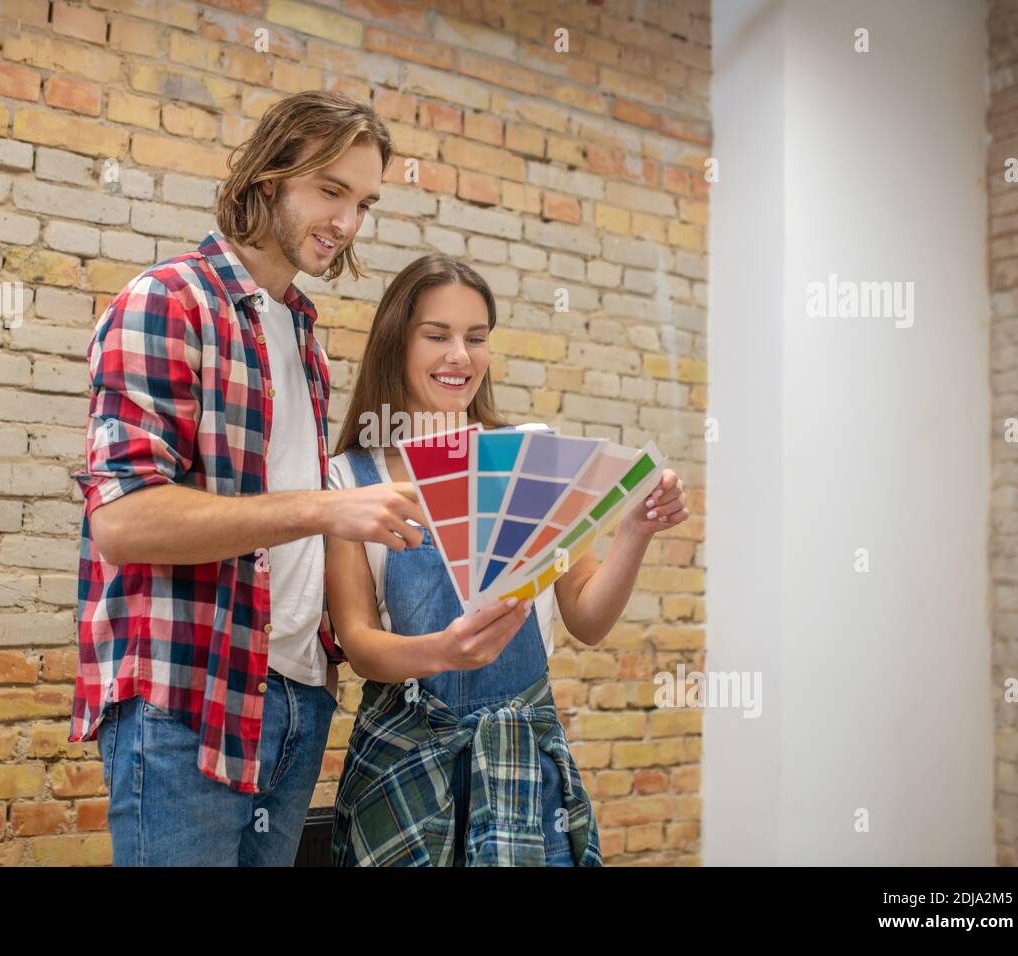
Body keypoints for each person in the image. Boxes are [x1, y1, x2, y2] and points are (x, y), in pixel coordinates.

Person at [69, 91, 529, 867]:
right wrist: (329, 507)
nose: (347, 223)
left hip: (295, 696)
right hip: (190, 695)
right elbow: (124, 520)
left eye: (364, 203)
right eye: (330, 191)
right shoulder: (169, 302)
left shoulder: (299, 331)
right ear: (270, 176)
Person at [326, 254, 690, 866]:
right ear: (397, 343)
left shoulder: (531, 457)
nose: (459, 356)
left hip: (524, 771)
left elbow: (587, 618)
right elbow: (358, 643)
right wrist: (440, 652)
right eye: (437, 335)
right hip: (404, 767)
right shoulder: (352, 478)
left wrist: (634, 531)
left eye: (476, 337)